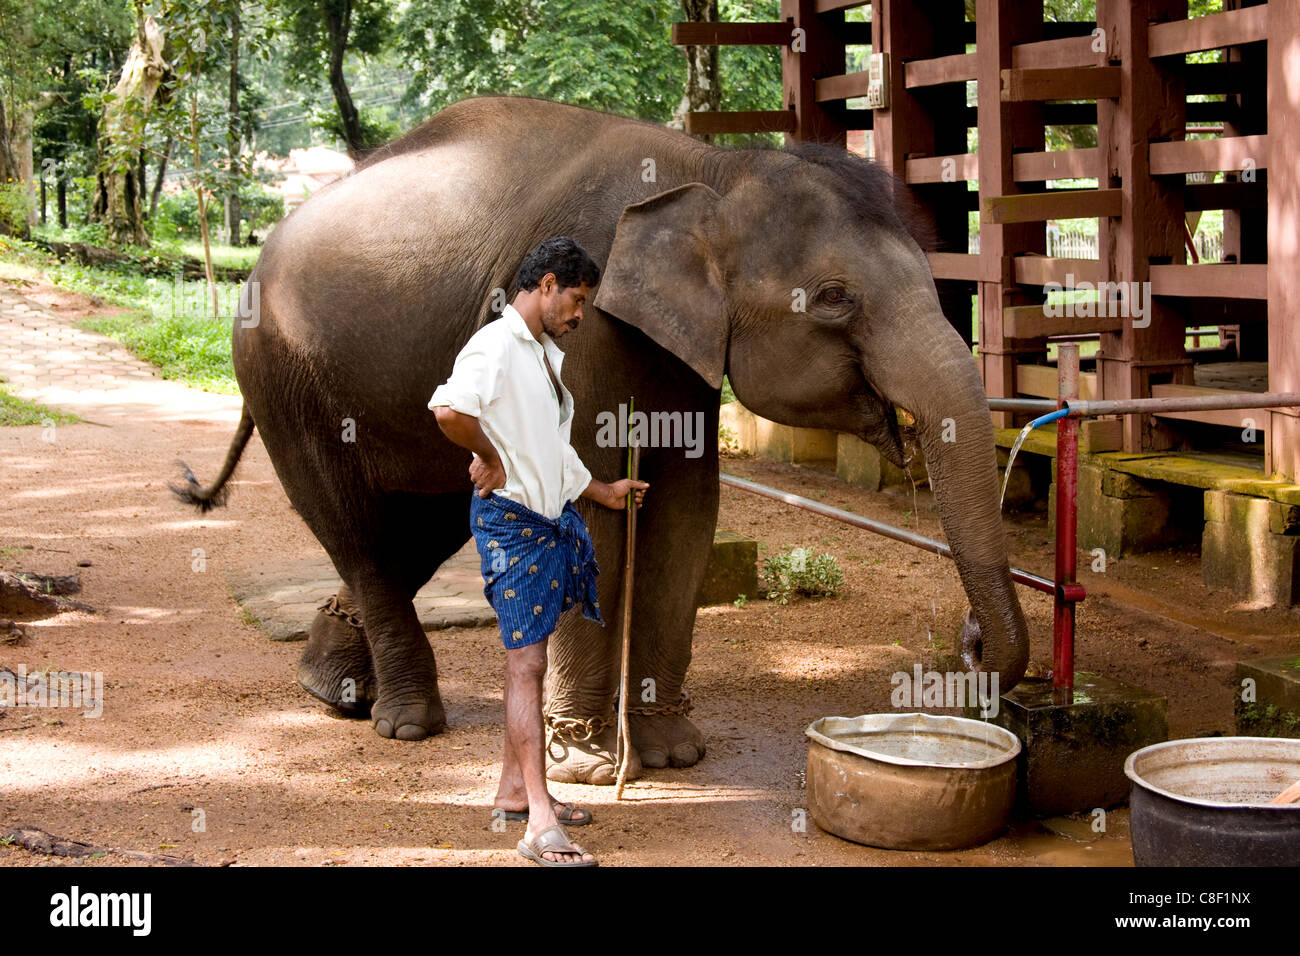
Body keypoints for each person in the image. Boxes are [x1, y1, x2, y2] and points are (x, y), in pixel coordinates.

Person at [429, 236, 648, 867]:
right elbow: (448, 410)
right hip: (513, 524)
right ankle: (541, 824)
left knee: (532, 660)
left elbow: (552, 445)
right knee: (527, 666)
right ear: (547, 284)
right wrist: (491, 457)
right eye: (577, 299)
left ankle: (515, 793)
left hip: (544, 520)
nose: (581, 314)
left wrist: (601, 490)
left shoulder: (544, 354)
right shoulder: (496, 346)